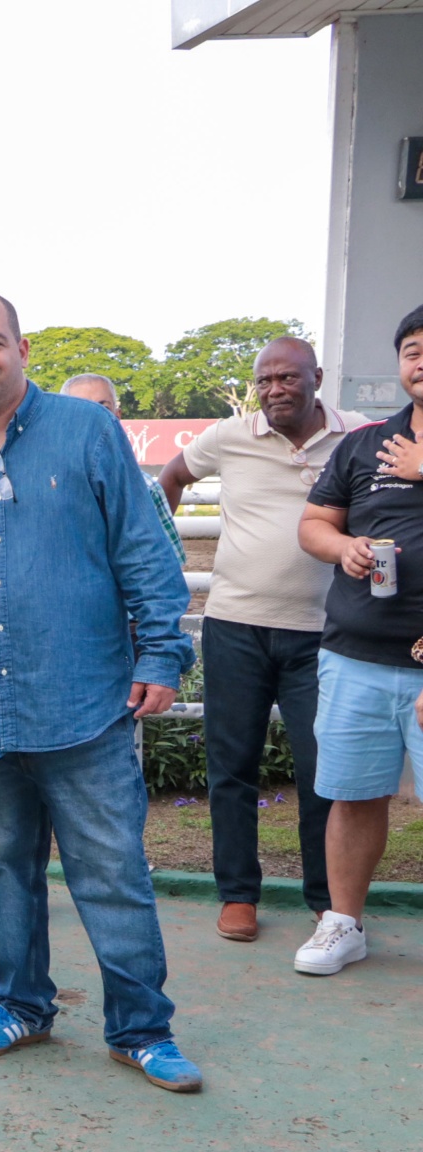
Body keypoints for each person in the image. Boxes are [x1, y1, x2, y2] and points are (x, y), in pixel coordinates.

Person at [0, 291, 202, 1092]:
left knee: (111, 871)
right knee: (3, 867)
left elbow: (144, 549)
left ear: (22, 349)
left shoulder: (88, 431)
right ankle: (19, 1005)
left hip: (88, 704)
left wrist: (160, 655)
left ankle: (142, 1028)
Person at [157, 339, 363, 944]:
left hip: (323, 633)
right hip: (235, 626)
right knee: (231, 766)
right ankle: (238, 895)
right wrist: (161, 555)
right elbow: (170, 477)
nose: (275, 389)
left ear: (316, 378)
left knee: (323, 770)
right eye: (265, 379)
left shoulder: (353, 436)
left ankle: (328, 904)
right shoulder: (229, 435)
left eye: (288, 377)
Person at [293, 303, 423, 976]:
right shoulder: (365, 443)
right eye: (411, 349)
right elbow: (314, 522)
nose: (420, 359)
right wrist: (341, 547)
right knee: (352, 792)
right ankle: (343, 922)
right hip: (356, 656)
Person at [60, 374, 185, 564]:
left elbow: (164, 570)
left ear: (117, 416)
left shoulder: (146, 489)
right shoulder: (38, 485)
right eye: (82, 407)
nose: (94, 417)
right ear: (64, 418)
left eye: (104, 408)